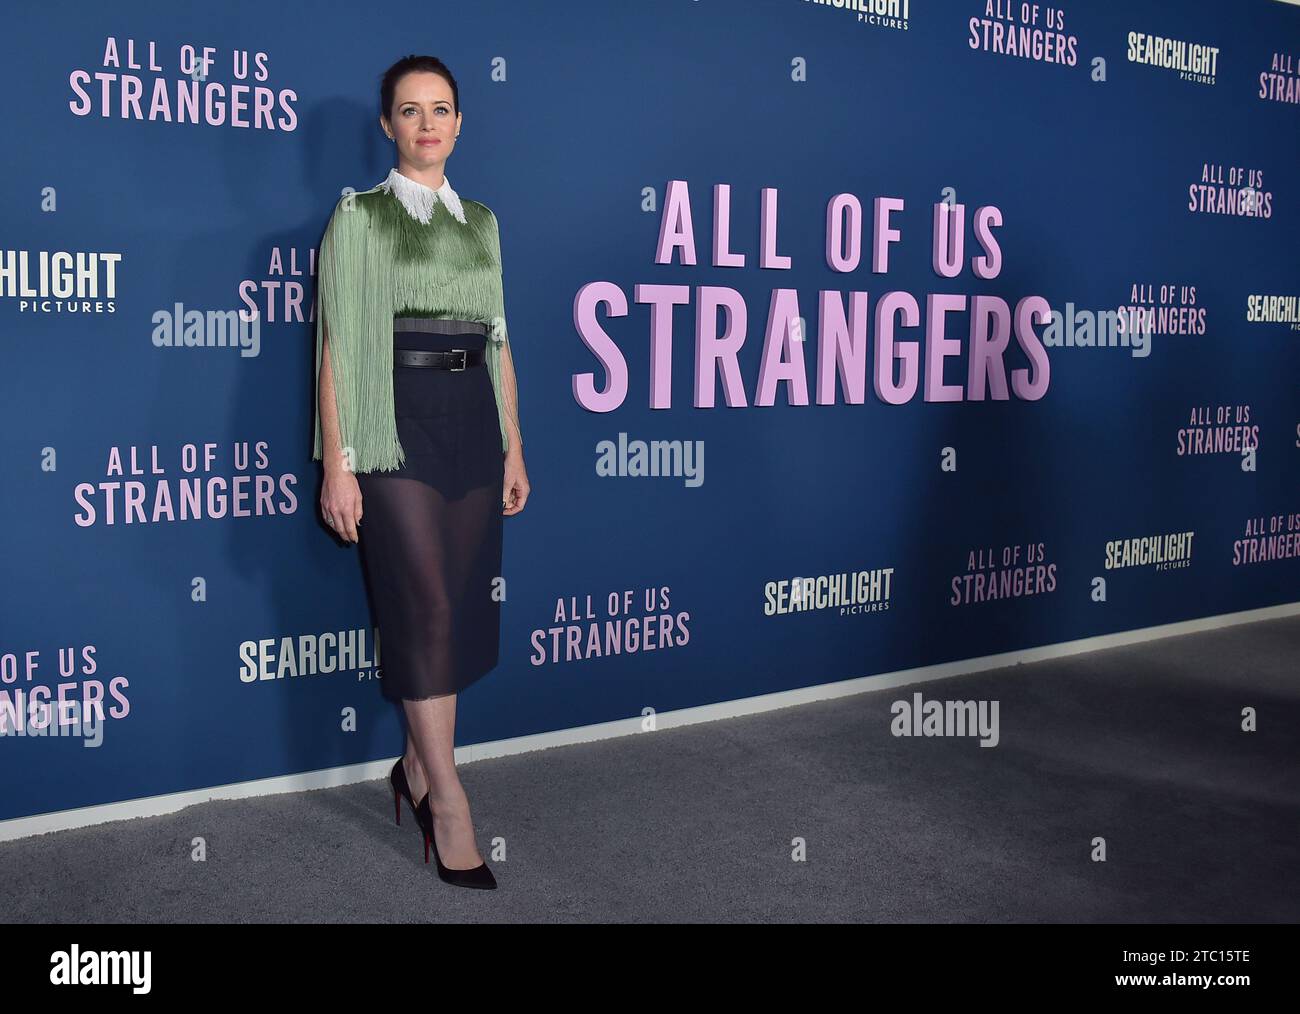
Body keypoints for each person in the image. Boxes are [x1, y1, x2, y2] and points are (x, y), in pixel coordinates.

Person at [312, 55, 529, 890]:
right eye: (410, 111)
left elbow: (500, 340)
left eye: (441, 109)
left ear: (460, 123)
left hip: (473, 420)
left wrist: (515, 445)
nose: (427, 124)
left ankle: (410, 768)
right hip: (388, 425)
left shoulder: (483, 222)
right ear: (387, 126)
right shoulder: (360, 219)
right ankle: (449, 804)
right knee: (427, 606)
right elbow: (338, 346)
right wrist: (340, 461)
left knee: (460, 607)